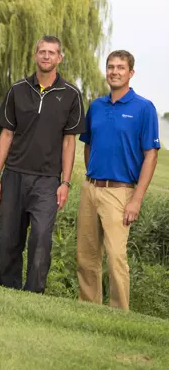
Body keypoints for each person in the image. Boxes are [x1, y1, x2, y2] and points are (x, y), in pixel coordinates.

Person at [0, 35, 85, 293]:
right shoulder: (17, 89)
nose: (46, 56)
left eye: (51, 52)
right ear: (35, 55)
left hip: (47, 181)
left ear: (59, 58)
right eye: (42, 51)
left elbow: (69, 143)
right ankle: (7, 291)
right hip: (14, 175)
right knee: (9, 239)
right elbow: (6, 134)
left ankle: (33, 294)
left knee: (41, 239)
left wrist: (65, 182)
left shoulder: (71, 95)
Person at [77, 50, 159, 310]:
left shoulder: (144, 108)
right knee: (87, 256)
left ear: (131, 73)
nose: (114, 71)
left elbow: (151, 156)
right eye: (110, 67)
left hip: (120, 193)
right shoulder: (97, 106)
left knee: (115, 257)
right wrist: (92, 175)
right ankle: (89, 309)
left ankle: (119, 314)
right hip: (91, 189)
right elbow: (88, 145)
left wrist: (136, 199)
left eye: (120, 68)